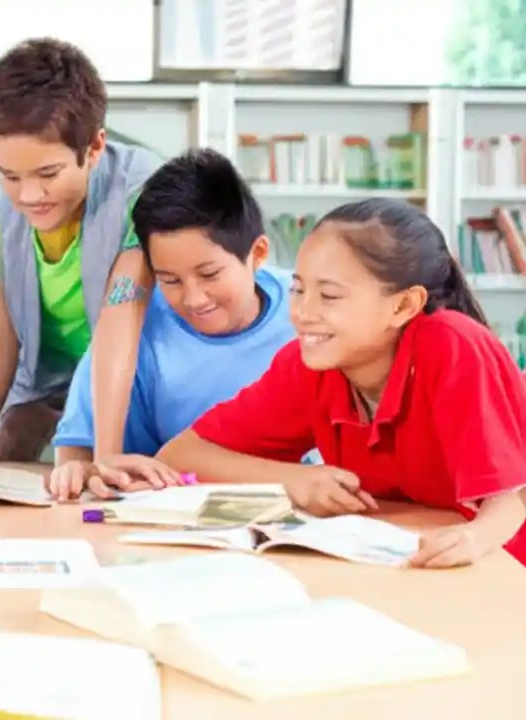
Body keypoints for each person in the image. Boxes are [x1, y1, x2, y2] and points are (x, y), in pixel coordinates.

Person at [157, 199, 526, 569]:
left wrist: (473, 539)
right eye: (298, 290)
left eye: (329, 296)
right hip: (409, 565)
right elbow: (181, 455)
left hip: (501, 567)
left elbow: (510, 504)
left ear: (402, 306)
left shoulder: (452, 345)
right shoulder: (311, 365)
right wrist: (294, 479)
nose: (302, 313)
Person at [0, 37, 175, 484]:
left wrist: (106, 458)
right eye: (9, 175)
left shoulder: (141, 191)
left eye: (48, 174)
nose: (28, 196)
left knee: (105, 478)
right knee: (9, 442)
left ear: (94, 148)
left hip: (135, 381)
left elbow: (120, 327)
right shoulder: (4, 209)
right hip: (49, 387)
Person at [49, 149, 296, 499]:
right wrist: (81, 471)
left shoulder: (310, 311)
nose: (193, 299)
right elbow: (79, 451)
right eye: (170, 280)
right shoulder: (134, 331)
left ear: (256, 254)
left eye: (209, 274)